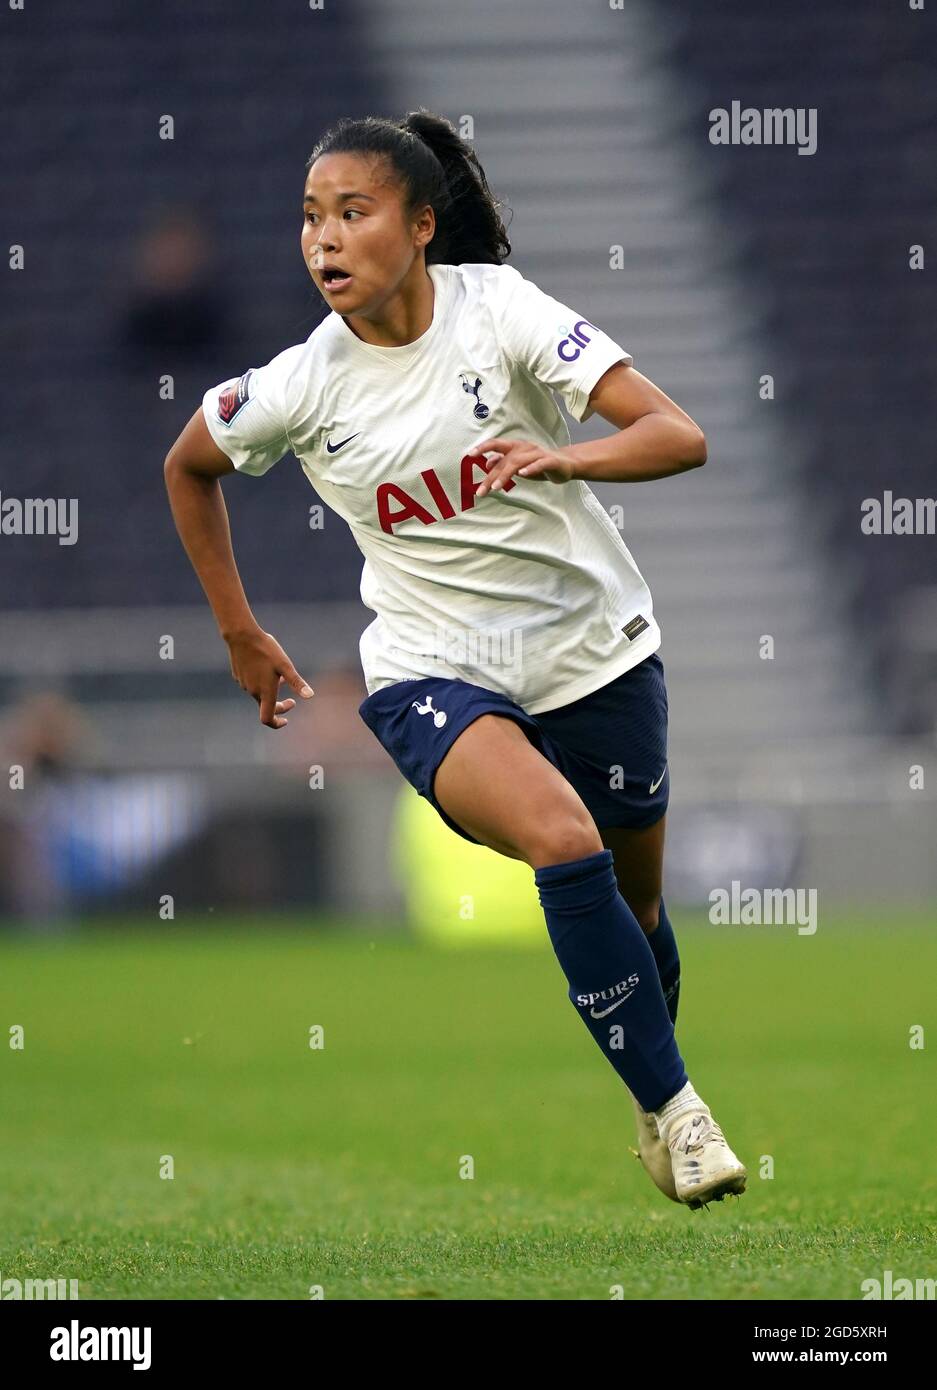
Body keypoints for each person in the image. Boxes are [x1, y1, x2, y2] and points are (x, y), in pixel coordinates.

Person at [164, 109, 746, 1210]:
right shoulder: (298, 383)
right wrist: (239, 629)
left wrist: (566, 460)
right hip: (434, 668)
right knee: (560, 839)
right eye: (308, 218)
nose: (323, 240)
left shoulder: (503, 314)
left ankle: (645, 1088)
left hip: (593, 649)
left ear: (421, 226)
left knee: (641, 906)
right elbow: (188, 466)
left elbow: (679, 434)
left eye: (351, 212)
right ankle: (682, 1112)